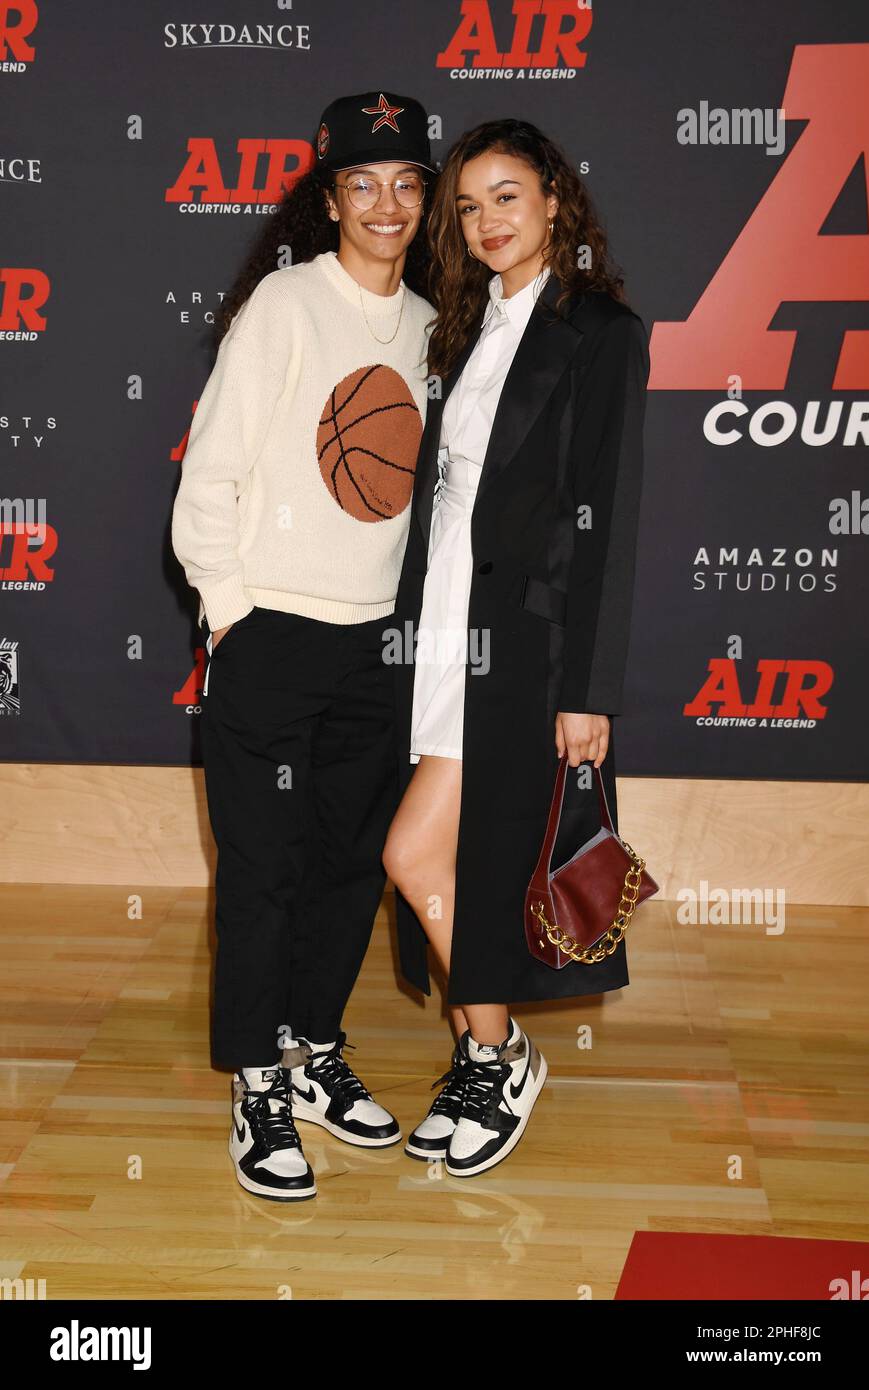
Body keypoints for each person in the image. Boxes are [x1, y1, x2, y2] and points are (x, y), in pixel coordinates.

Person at [171, 91, 436, 1201]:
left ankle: (313, 1045)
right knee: (265, 871)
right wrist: (232, 610)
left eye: (407, 183)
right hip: (273, 630)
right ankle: (255, 1081)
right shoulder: (284, 305)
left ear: (424, 199)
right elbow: (211, 471)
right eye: (363, 183)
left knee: (343, 867)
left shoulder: (430, 325)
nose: (386, 203)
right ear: (329, 198)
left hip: (375, 646)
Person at [383, 118, 650, 1178]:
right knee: (430, 858)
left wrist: (588, 689)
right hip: (438, 632)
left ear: (552, 199)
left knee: (451, 857)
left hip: (527, 647)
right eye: (467, 205)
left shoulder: (598, 329)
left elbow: (610, 518)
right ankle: (485, 1048)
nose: (487, 221)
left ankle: (493, 1052)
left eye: (506, 196)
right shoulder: (454, 329)